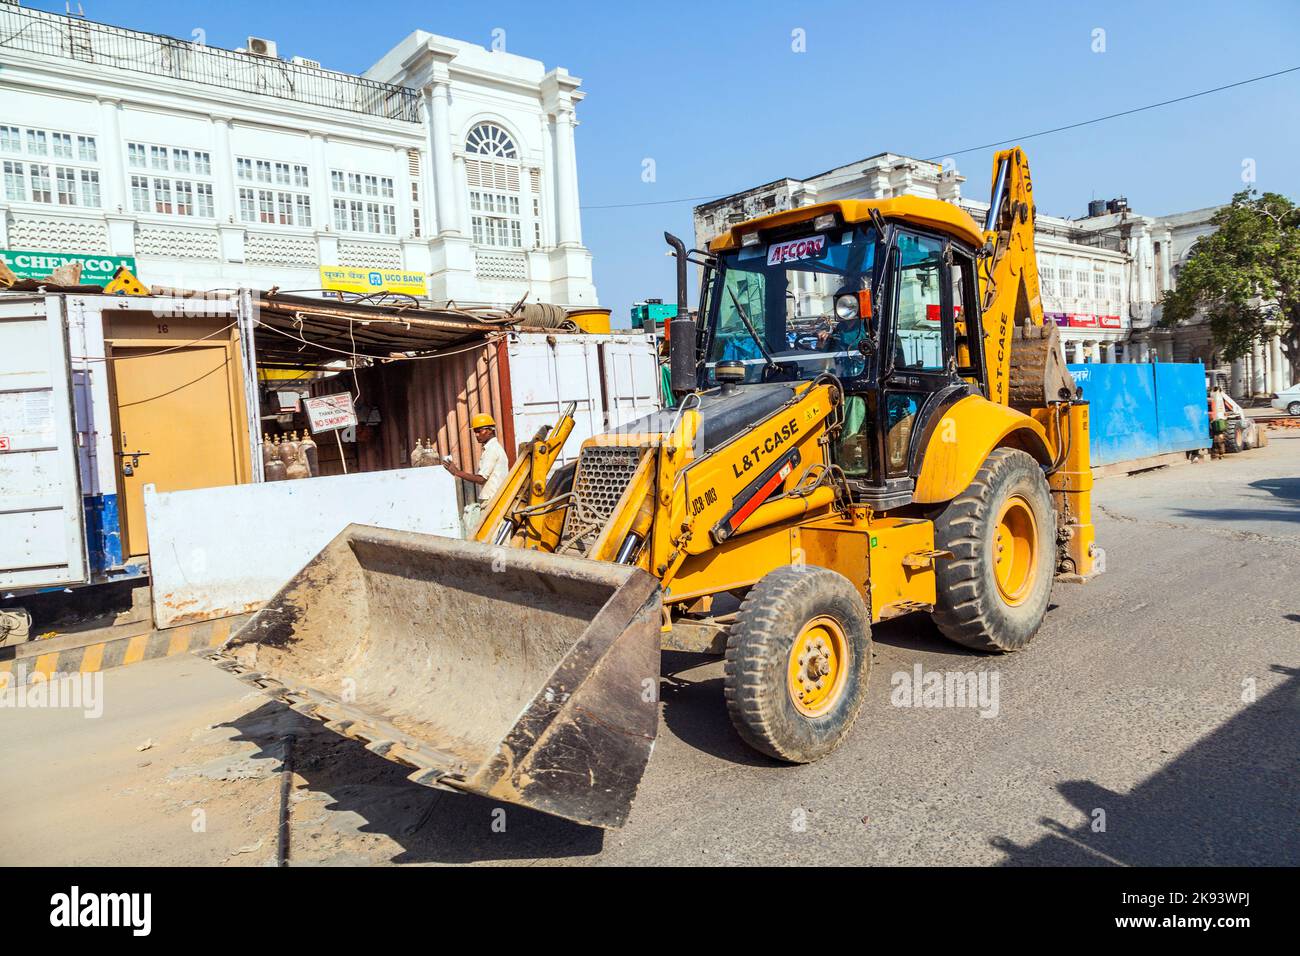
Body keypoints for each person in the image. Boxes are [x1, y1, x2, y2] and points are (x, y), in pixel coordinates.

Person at [440, 413, 509, 536]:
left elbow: (481, 479)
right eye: (475, 432)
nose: (476, 435)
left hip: (493, 500)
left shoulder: (493, 450)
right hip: (493, 499)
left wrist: (457, 472)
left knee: (491, 538)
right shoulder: (491, 449)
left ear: (490, 430)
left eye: (479, 431)